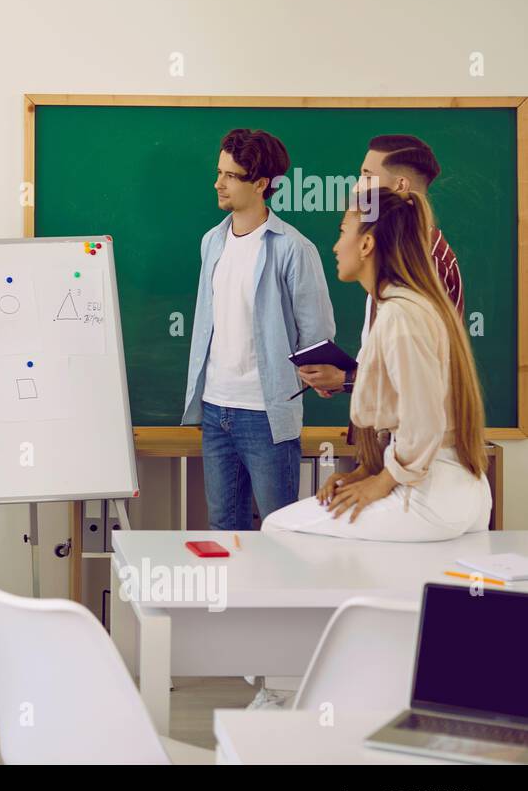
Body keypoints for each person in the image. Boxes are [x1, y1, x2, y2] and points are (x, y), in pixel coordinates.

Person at [263, 187, 491, 541]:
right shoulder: (410, 304)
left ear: (367, 245)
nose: (337, 247)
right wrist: (365, 473)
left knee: (277, 529)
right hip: (457, 488)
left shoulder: (399, 314)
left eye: (342, 232)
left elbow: (425, 421)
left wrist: (382, 482)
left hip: (430, 493)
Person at [181, 129, 335, 531]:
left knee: (280, 532)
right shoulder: (211, 242)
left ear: (261, 184)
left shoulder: (293, 248)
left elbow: (318, 336)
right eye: (219, 172)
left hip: (266, 415)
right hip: (215, 410)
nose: (218, 183)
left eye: (231, 175)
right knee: (224, 530)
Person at [298, 134, 462, 398]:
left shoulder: (426, 262)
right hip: (386, 423)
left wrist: (345, 378)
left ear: (400, 185)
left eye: (366, 175)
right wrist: (344, 377)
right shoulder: (395, 253)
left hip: (408, 431)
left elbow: (421, 370)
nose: (356, 188)